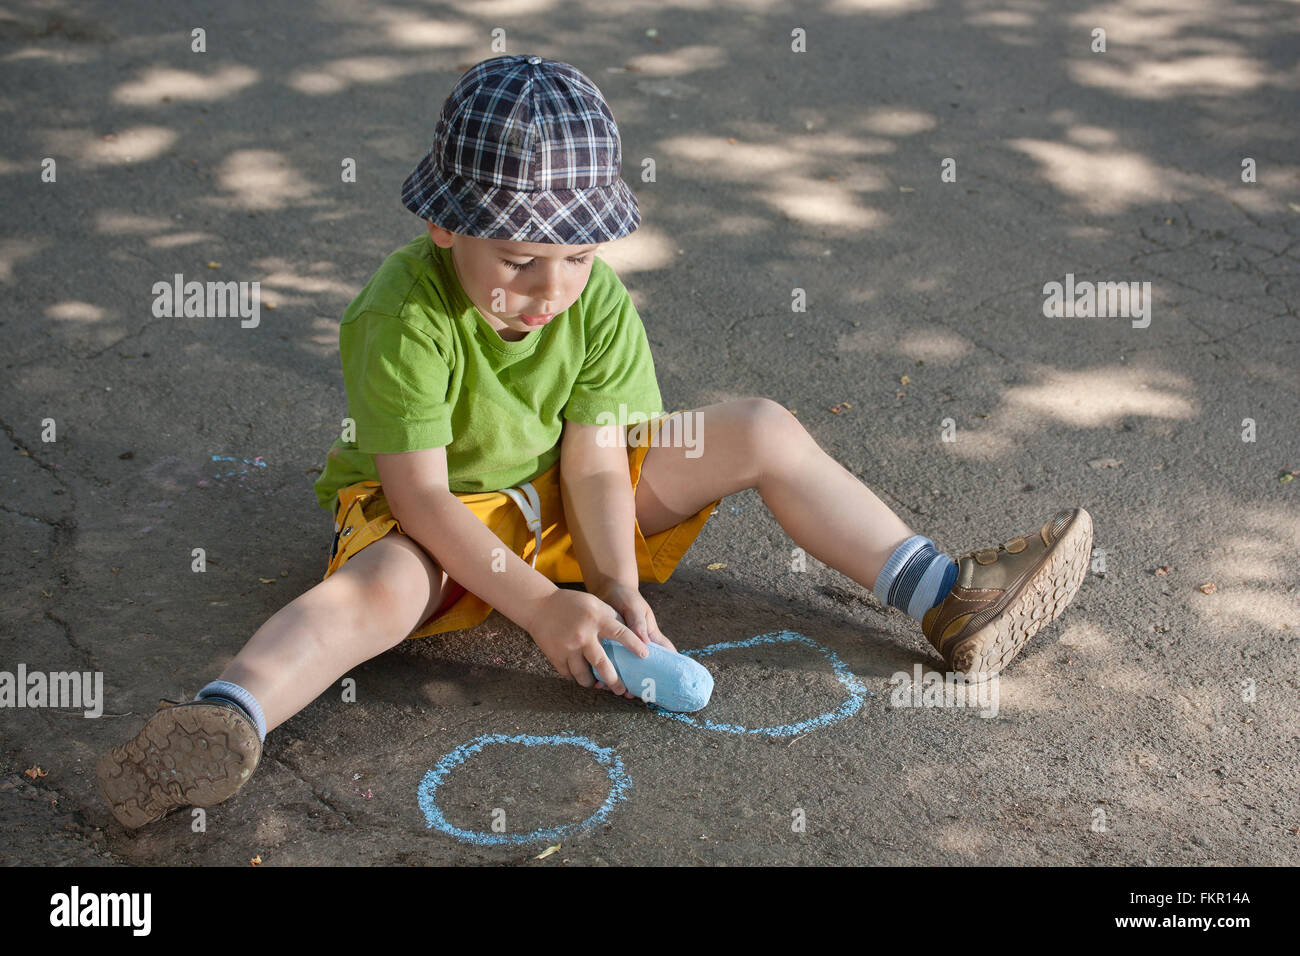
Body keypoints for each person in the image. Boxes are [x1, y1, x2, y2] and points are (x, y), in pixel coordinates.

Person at [96, 54, 1092, 830]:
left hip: (561, 503)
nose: (547, 288)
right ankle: (228, 715)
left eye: (575, 253)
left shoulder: (594, 300)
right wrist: (538, 606)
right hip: (448, 519)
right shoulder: (399, 315)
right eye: (519, 257)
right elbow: (424, 499)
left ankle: (944, 597)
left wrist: (616, 586)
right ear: (446, 228)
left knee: (754, 428)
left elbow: (590, 458)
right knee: (379, 592)